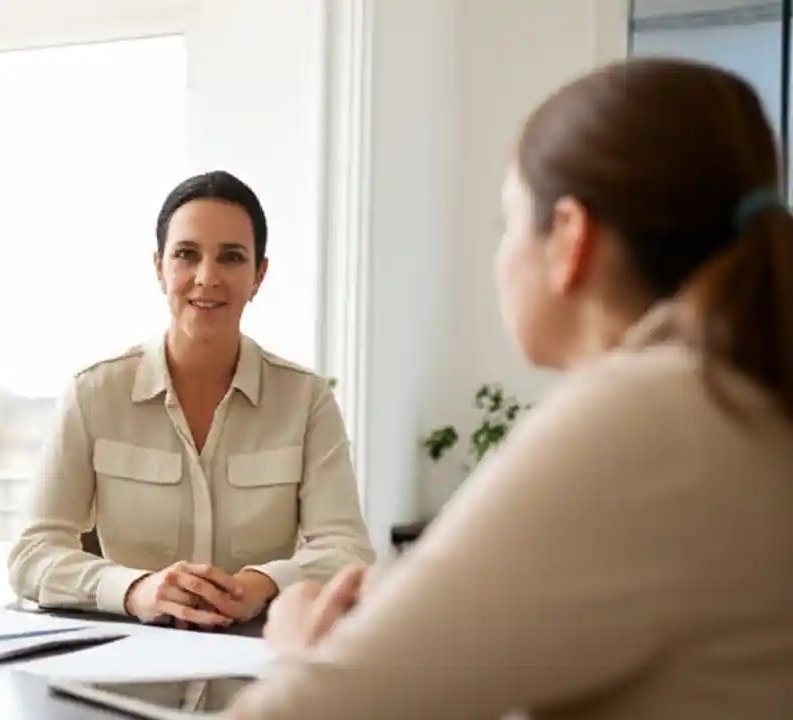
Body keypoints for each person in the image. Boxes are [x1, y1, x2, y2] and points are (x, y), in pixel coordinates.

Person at [230, 58, 793, 719]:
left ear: (570, 239)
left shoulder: (650, 415)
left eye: (508, 222)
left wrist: (308, 649)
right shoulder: (736, 397)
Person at [7, 170, 373, 628]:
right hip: (128, 673)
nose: (207, 277)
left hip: (254, 672)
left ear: (259, 274)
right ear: (159, 267)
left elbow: (348, 550)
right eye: (186, 255)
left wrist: (262, 584)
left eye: (231, 258)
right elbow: (31, 555)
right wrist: (134, 589)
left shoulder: (307, 401)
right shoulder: (94, 394)